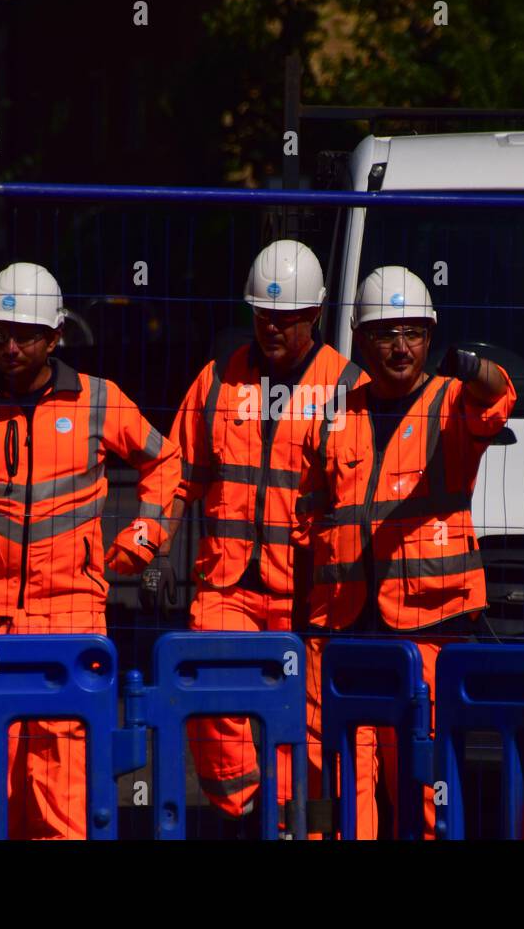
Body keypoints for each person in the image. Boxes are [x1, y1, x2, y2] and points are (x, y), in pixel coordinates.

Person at [0, 262, 180, 839]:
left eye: (25, 335)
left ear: (55, 337)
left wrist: (141, 540)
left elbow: (165, 462)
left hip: (69, 622)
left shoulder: (99, 401)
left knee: (62, 795)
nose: (10, 347)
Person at [295, 265, 515, 838]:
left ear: (430, 335)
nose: (400, 346)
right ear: (360, 339)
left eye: (413, 332)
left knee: (424, 790)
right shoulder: (335, 414)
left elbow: (498, 395)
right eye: (385, 332)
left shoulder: (452, 404)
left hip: (425, 633)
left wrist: (469, 366)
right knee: (339, 785)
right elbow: (310, 516)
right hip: (340, 634)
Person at [153, 240, 367, 826]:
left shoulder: (349, 390)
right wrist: (152, 542)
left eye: (287, 319)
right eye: (263, 316)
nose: (272, 328)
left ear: (315, 316)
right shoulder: (218, 381)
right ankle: (248, 811)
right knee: (206, 688)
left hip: (307, 594)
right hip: (227, 584)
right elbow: (177, 475)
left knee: (308, 726)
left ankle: (291, 822)